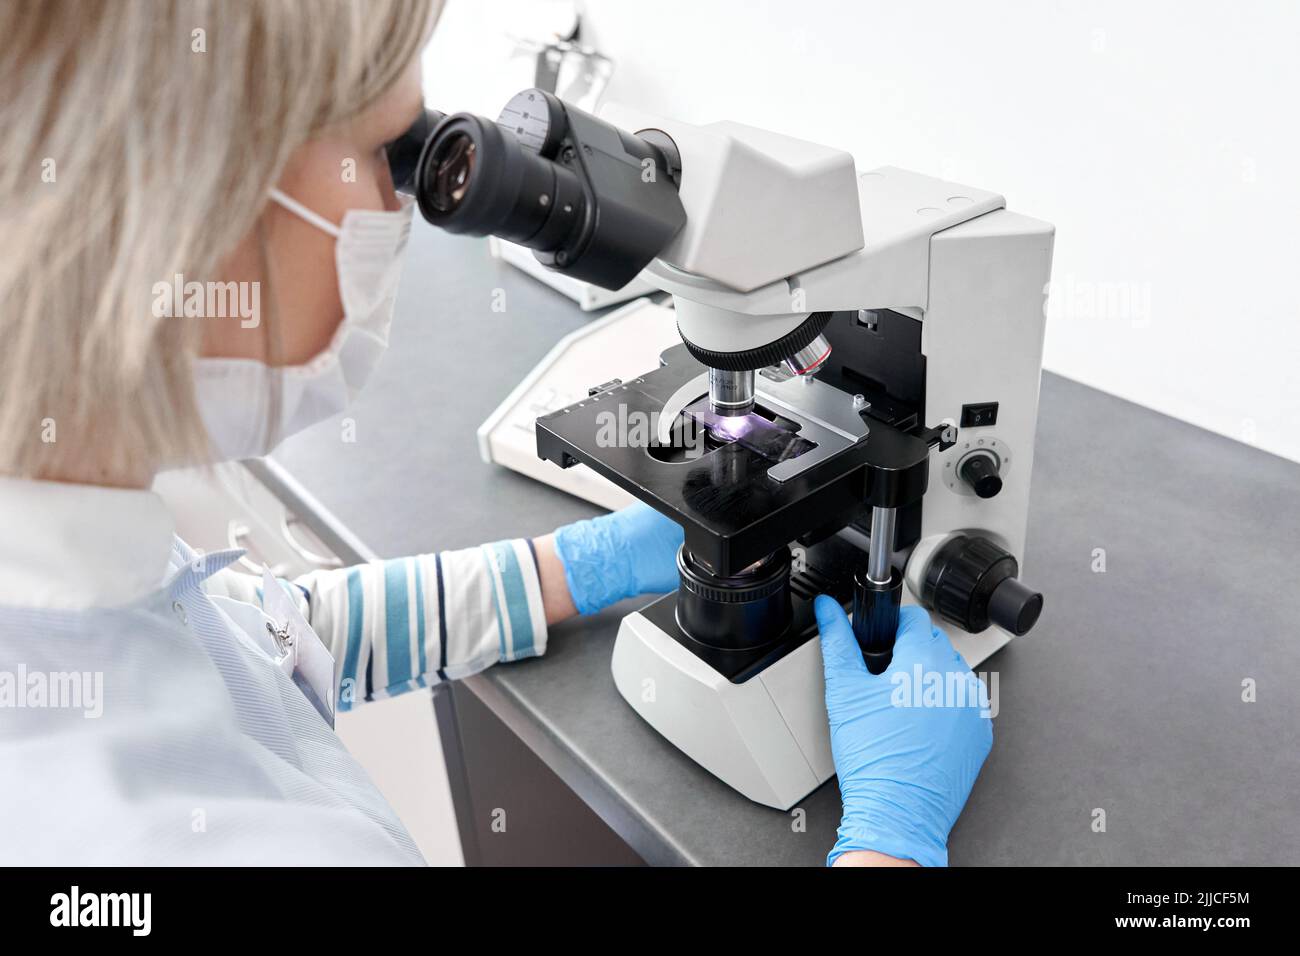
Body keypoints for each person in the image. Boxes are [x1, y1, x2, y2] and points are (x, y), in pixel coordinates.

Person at [0, 0, 990, 866]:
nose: (405, 208)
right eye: (396, 156)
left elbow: (268, 637)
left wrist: (565, 568)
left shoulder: (67, 569)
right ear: (186, 218)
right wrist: (887, 842)